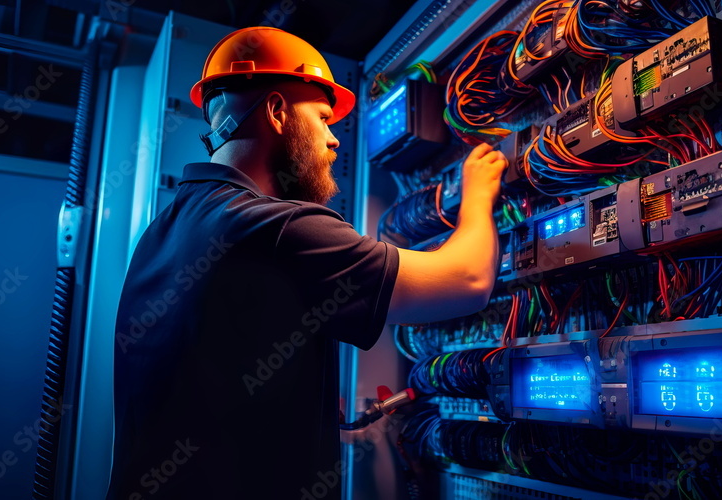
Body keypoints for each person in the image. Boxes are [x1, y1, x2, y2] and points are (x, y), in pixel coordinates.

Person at [107, 26, 507, 499]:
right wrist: (477, 198)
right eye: (322, 118)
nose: (335, 140)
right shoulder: (278, 227)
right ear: (277, 112)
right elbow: (469, 280)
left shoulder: (162, 231)